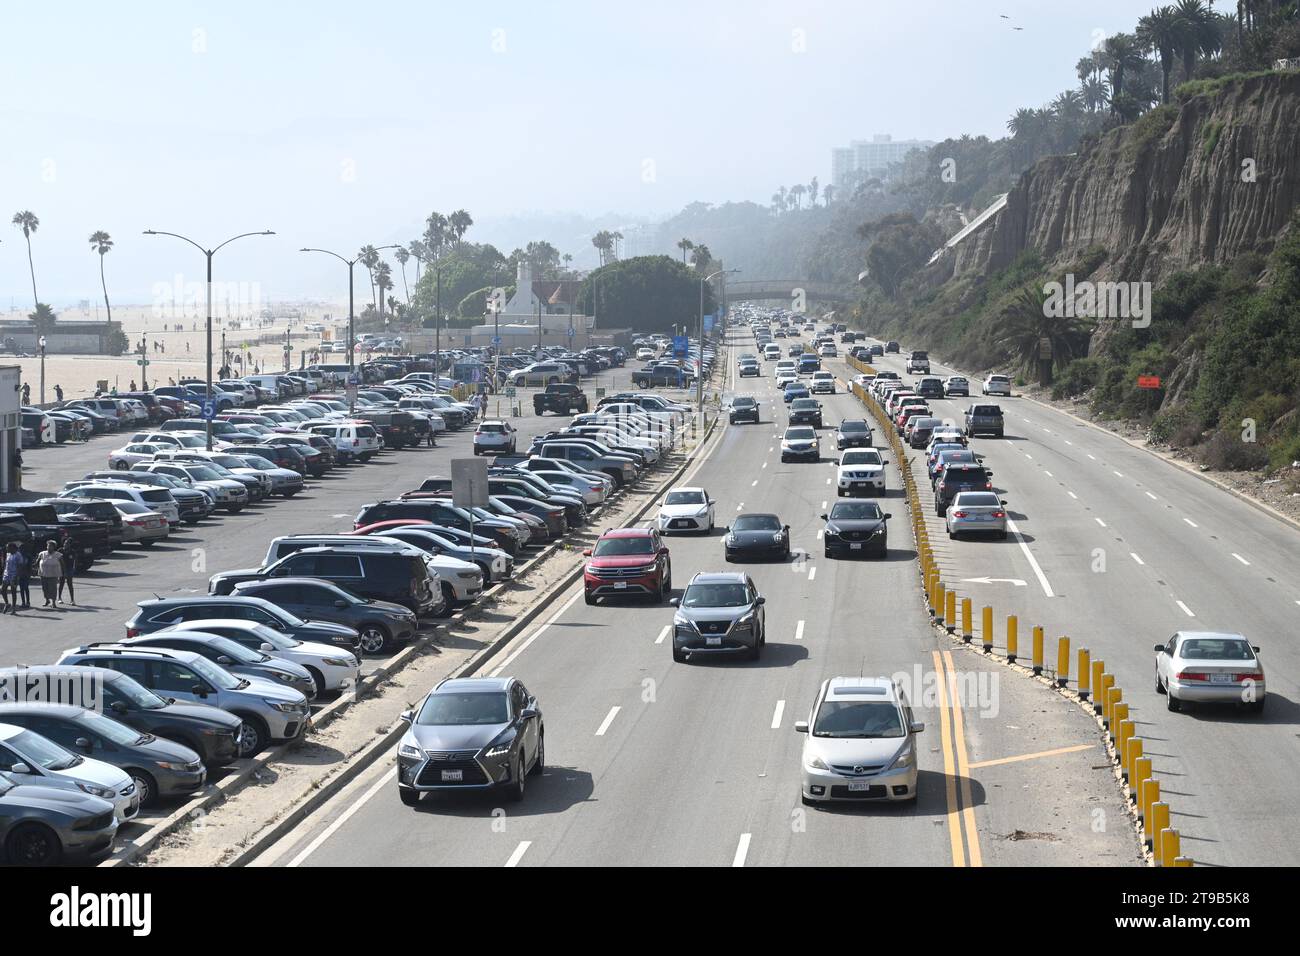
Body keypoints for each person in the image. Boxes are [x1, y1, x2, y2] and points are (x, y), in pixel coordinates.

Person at [36, 540, 63, 608]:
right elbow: (37, 561)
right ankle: (47, 600)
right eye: (48, 546)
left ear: (54, 547)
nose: (49, 547)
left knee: (53, 588)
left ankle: (53, 602)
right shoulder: (42, 553)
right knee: (45, 588)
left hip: (53, 574)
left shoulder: (58, 555)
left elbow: (63, 564)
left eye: (51, 546)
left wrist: (63, 573)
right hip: (43, 573)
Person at [1, 542, 19, 614]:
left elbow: (20, 566)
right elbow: (6, 564)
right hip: (6, 575)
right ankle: (7, 603)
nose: (6, 549)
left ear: (13, 548)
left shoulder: (18, 555)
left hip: (14, 575)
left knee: (13, 591)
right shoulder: (8, 554)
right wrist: (3, 573)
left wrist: (16, 577)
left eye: (8, 547)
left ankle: (13, 608)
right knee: (3, 590)